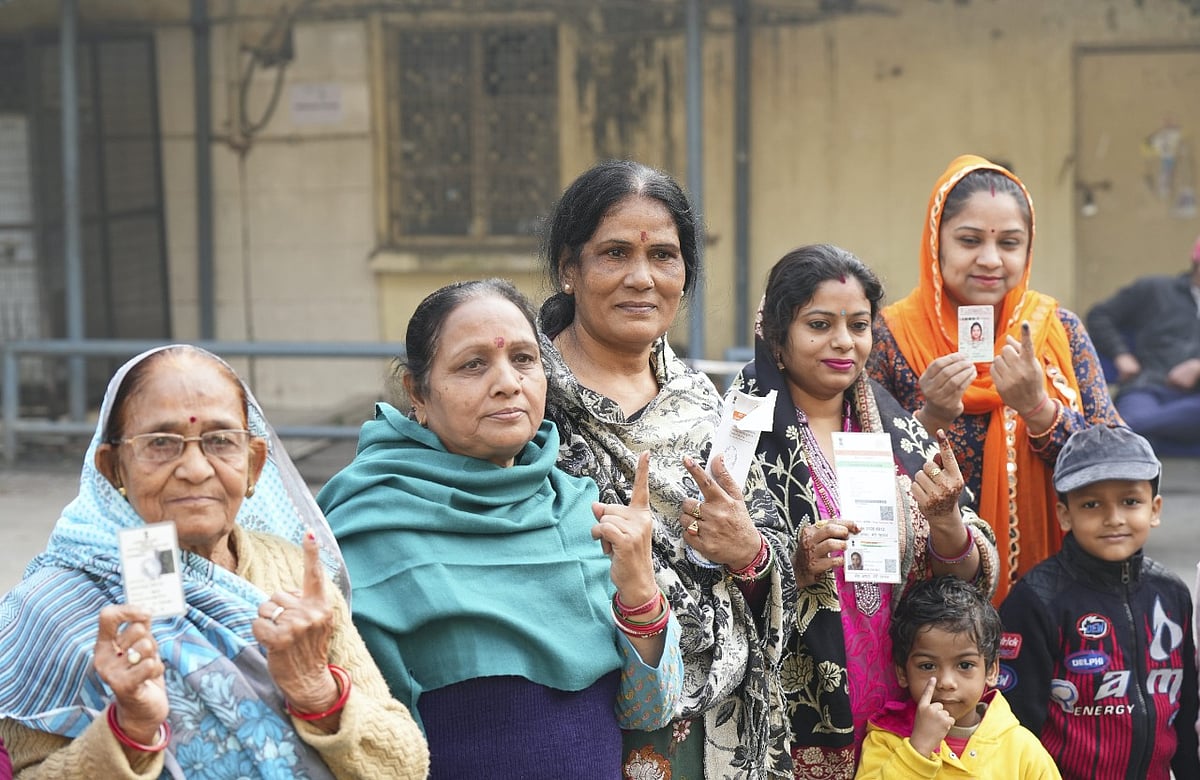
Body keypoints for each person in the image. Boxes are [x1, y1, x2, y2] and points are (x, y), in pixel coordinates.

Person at [0, 345, 429, 779]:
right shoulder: (53, 606)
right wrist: (130, 731)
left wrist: (317, 692)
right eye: (162, 443)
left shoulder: (296, 577)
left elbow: (404, 767)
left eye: (220, 441)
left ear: (254, 465)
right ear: (113, 468)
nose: (194, 468)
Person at [316, 279, 684, 779]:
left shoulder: (584, 510)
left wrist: (640, 593)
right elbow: (361, 742)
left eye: (524, 359)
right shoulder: (372, 523)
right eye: (473, 364)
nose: (508, 382)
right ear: (417, 393)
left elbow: (650, 712)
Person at [538, 159, 797, 778]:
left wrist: (750, 551)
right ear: (570, 269)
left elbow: (767, 554)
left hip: (716, 727)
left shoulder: (702, 402)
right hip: (585, 716)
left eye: (663, 255)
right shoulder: (530, 400)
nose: (642, 278)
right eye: (615, 253)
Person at [735, 243, 999, 774]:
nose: (843, 343)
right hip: (797, 696)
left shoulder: (892, 425)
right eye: (819, 324)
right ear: (778, 339)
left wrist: (947, 521)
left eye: (858, 325)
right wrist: (794, 561)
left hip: (905, 687)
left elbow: (968, 578)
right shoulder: (742, 429)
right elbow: (713, 575)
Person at [869, 154, 1121, 602]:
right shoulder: (889, 335)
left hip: (1053, 595)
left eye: (1009, 242)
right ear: (936, 243)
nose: (990, 259)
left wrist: (1039, 409)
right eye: (969, 240)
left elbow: (1118, 465)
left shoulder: (1056, 330)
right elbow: (853, 471)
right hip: (929, 597)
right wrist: (926, 420)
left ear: (1028, 249)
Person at [997, 424, 1200, 780]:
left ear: (1154, 509)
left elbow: (1185, 713)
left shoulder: (1172, 593)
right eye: (1091, 504)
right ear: (1064, 514)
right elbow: (1016, 725)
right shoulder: (1036, 600)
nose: (1114, 518)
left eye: (1130, 501)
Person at [855, 577, 1060, 779]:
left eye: (964, 665)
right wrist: (917, 751)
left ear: (991, 670)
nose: (946, 682)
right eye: (928, 666)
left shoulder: (1021, 749)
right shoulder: (887, 739)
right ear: (902, 672)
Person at [1086, 233, 1200, 452]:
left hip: (1195, 397)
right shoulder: (1154, 289)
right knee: (1133, 415)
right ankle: (1128, 430)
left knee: (1128, 428)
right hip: (1146, 388)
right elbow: (1099, 316)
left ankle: (1120, 431)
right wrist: (1121, 354)